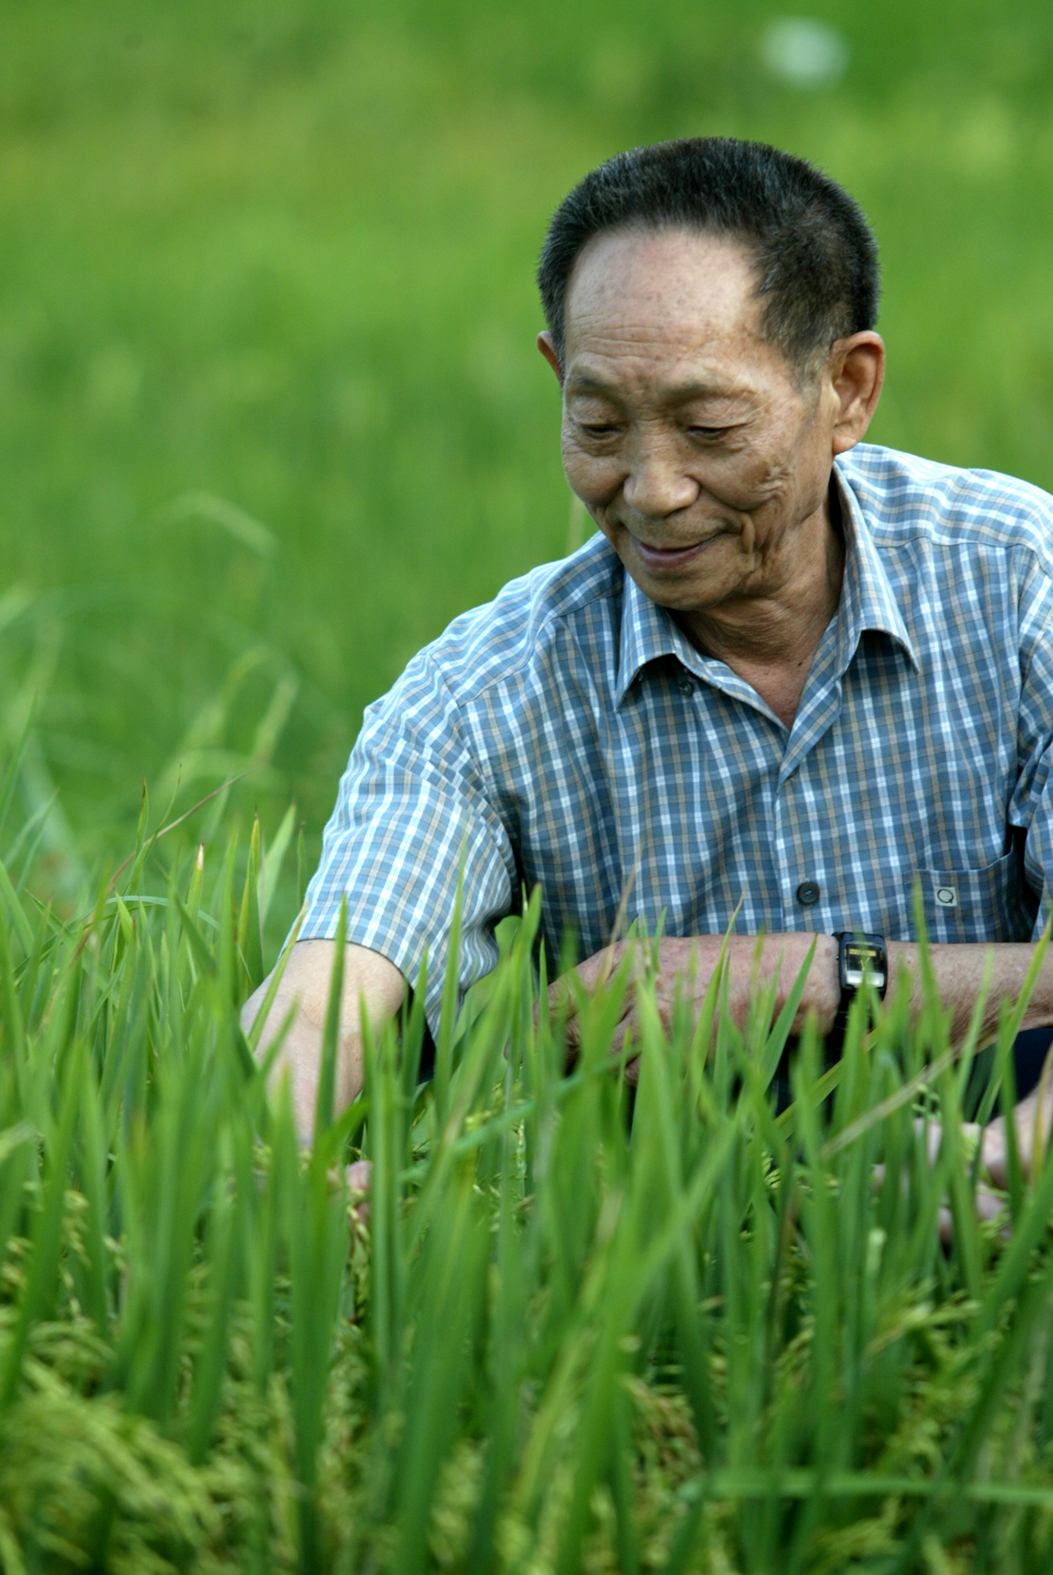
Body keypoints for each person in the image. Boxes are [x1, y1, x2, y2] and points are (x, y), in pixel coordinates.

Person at [243, 136, 1053, 1189]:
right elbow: (335, 987)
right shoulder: (484, 694)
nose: (653, 488)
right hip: (662, 1230)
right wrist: (278, 1155)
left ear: (847, 390)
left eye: (709, 425)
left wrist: (817, 981)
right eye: (598, 423)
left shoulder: (1021, 586)